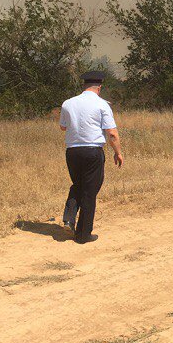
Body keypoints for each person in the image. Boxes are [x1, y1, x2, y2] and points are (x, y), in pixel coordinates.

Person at [59, 71, 124, 244]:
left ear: (84, 85)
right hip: (92, 151)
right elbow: (112, 133)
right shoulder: (102, 105)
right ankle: (83, 235)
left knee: (78, 185)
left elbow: (63, 127)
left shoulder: (67, 103)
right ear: (99, 87)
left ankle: (69, 218)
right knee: (89, 191)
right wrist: (117, 152)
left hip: (72, 151)